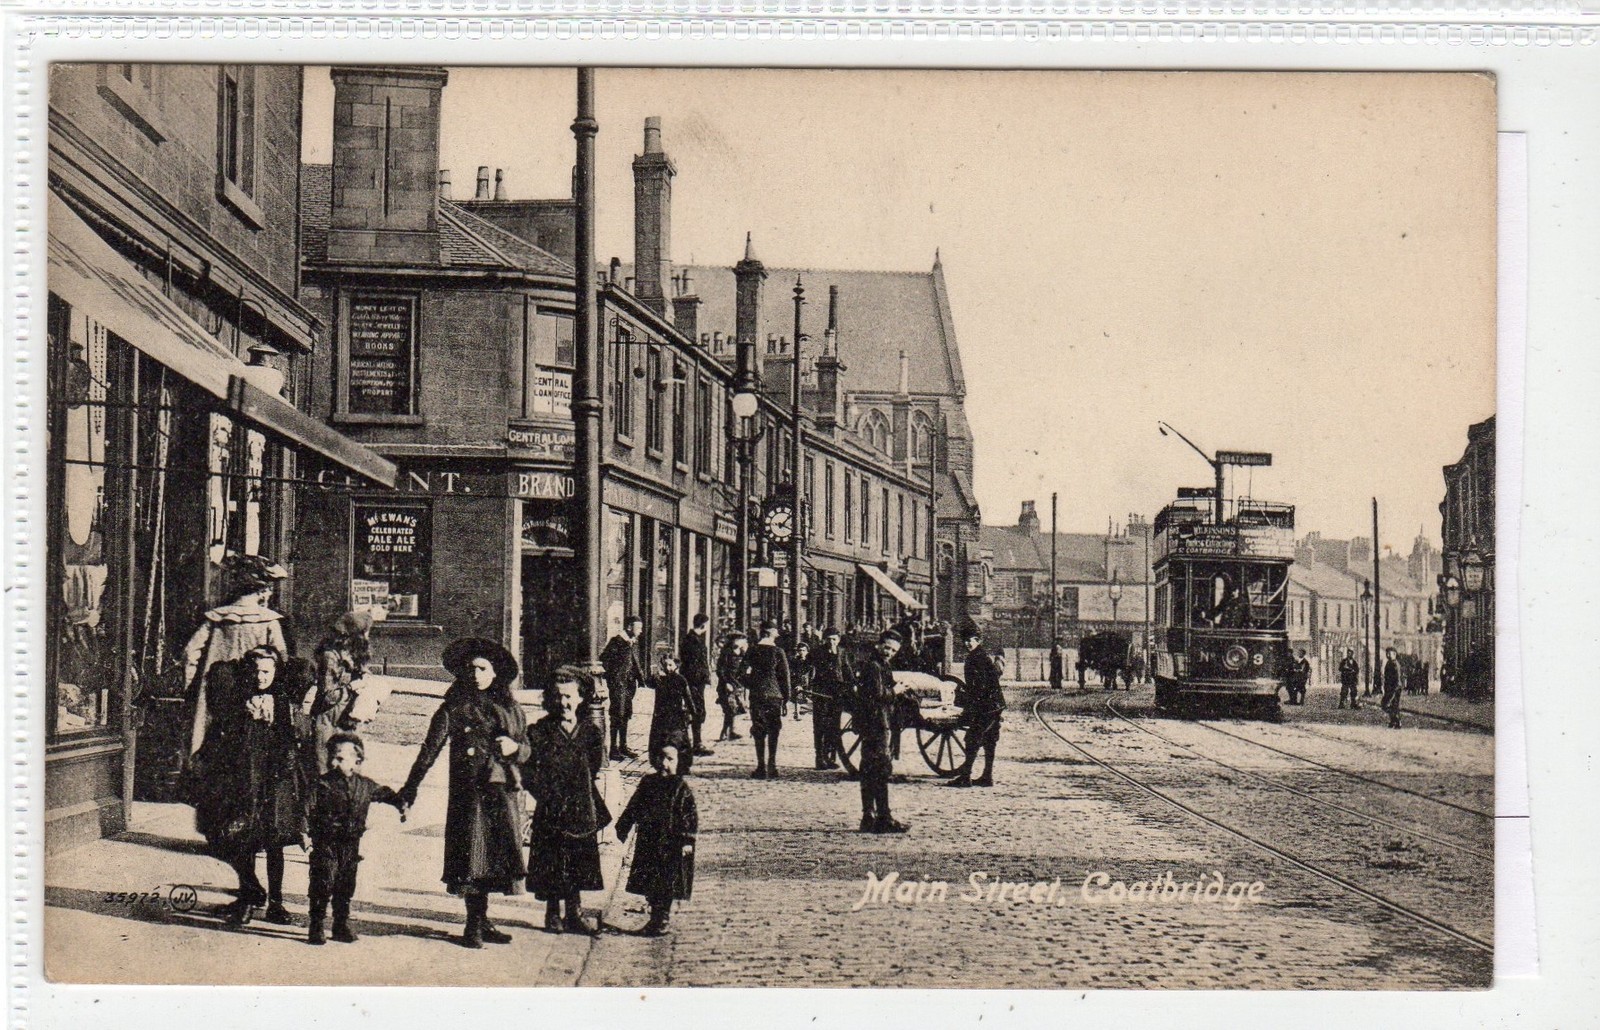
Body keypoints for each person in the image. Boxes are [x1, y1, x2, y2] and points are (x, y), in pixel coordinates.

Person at [398, 639, 530, 949]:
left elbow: (527, 751)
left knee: (495, 856)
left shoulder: (510, 709)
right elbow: (428, 751)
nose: (475, 674)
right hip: (468, 795)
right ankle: (473, 923)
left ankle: (482, 919)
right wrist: (410, 789)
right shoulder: (453, 708)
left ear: (495, 673)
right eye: (470, 668)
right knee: (472, 855)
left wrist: (516, 749)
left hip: (501, 793)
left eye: (482, 668)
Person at [191, 646, 305, 927]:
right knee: (243, 840)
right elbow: (225, 739)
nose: (260, 676)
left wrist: (285, 768)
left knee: (274, 842)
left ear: (276, 672)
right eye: (255, 671)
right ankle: (249, 895)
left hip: (274, 780)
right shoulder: (237, 700)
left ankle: (276, 903)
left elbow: (292, 738)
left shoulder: (282, 701)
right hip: (245, 780)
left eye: (266, 671)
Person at [522, 666, 607, 937]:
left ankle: (575, 912)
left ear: (581, 698)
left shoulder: (591, 733)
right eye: (558, 697)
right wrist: (546, 794)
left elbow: (593, 768)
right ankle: (552, 912)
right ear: (550, 699)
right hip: (552, 807)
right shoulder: (539, 732)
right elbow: (528, 771)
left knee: (577, 860)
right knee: (552, 860)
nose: (564, 703)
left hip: (581, 807)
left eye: (570, 697)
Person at [303, 732, 406, 945]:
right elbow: (305, 807)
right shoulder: (322, 784)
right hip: (326, 842)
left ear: (357, 761)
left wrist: (401, 803)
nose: (333, 762)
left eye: (340, 758)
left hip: (351, 844)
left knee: (345, 884)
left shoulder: (365, 786)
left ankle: (341, 924)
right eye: (332, 756)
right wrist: (303, 832)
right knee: (323, 882)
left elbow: (385, 794)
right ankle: (316, 924)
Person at [184, 554, 290, 757]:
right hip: (254, 693)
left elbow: (190, 653)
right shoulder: (269, 621)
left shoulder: (216, 619)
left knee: (211, 747)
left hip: (216, 691)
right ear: (260, 589)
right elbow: (282, 660)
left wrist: (190, 687)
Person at [615, 744, 698, 937]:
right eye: (661, 758)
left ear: (679, 763)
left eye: (670, 759)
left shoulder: (680, 788)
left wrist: (687, 840)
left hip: (671, 844)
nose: (664, 764)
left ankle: (663, 918)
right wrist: (623, 828)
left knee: (667, 881)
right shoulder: (648, 783)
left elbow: (689, 817)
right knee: (650, 880)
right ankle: (654, 917)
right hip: (649, 841)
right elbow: (634, 806)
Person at [305, 611, 375, 774]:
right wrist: (351, 687)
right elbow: (328, 696)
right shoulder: (330, 656)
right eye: (366, 631)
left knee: (350, 770)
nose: (368, 635)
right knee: (327, 770)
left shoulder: (354, 653)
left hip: (349, 719)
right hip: (329, 721)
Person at [855, 631, 908, 833]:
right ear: (879, 645)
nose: (890, 653)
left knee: (870, 769)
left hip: (874, 723)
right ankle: (883, 818)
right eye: (887, 648)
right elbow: (878, 694)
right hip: (877, 723)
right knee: (880, 769)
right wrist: (896, 691)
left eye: (894, 650)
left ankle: (869, 816)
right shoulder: (874, 666)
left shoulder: (879, 665)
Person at [947, 623, 1004, 787]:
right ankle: (987, 776)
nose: (967, 644)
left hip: (986, 706)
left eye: (971, 640)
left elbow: (979, 687)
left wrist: (968, 707)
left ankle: (965, 777)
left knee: (972, 739)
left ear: (978, 640)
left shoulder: (975, 658)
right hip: (994, 704)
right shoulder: (981, 655)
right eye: (965, 640)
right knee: (990, 739)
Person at [745, 622, 791, 779]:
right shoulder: (778, 651)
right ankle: (772, 766)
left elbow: (740, 673)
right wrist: (786, 698)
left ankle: (760, 767)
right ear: (771, 634)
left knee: (758, 730)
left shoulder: (752, 650)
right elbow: (785, 677)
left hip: (757, 696)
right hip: (774, 696)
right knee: (773, 730)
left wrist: (752, 684)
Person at [601, 616, 647, 761]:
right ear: (629, 628)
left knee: (626, 714)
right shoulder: (617, 642)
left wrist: (641, 679)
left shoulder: (632, 643)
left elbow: (635, 663)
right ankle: (613, 749)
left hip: (629, 686)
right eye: (638, 628)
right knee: (617, 715)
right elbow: (604, 660)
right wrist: (614, 679)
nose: (641, 631)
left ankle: (623, 746)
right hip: (619, 686)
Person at [808, 627, 853, 770]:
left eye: (834, 639)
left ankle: (830, 757)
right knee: (820, 725)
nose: (831, 642)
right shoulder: (817, 652)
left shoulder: (842, 653)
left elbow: (847, 671)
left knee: (834, 725)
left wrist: (852, 686)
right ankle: (819, 758)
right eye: (829, 639)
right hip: (821, 693)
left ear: (838, 640)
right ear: (824, 639)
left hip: (837, 694)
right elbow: (806, 667)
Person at [649, 653, 696, 774]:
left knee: (679, 740)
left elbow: (688, 697)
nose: (668, 668)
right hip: (661, 714)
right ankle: (659, 764)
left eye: (670, 665)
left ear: (676, 665)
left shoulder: (680, 679)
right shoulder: (660, 679)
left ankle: (683, 766)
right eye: (665, 665)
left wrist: (692, 712)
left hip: (676, 715)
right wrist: (655, 675)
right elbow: (648, 683)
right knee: (659, 739)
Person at [679, 614, 715, 757]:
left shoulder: (692, 639)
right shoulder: (693, 641)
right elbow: (694, 664)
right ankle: (695, 744)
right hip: (694, 682)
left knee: (696, 711)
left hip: (695, 681)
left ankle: (694, 743)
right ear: (703, 625)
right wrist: (703, 678)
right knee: (695, 711)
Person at [714, 631, 749, 742]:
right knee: (730, 709)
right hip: (727, 685)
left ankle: (731, 731)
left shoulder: (742, 653)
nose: (743, 642)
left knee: (734, 710)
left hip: (738, 685)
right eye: (741, 639)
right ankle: (724, 733)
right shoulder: (726, 653)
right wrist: (726, 683)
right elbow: (720, 670)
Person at [1380, 647, 1403, 729]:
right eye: (1387, 653)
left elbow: (1397, 677)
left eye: (1389, 653)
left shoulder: (1395, 664)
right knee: (1393, 705)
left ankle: (1396, 720)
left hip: (1394, 688)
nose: (1388, 655)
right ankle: (1394, 721)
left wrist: (1395, 688)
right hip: (1390, 687)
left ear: (1394, 654)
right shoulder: (1389, 663)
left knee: (1386, 704)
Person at [790, 639, 812, 720]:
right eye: (800, 650)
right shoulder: (795, 661)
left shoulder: (810, 661)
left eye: (804, 650)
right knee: (797, 694)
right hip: (799, 681)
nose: (802, 652)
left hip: (809, 681)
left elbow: (812, 672)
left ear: (807, 651)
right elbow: (794, 673)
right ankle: (797, 712)